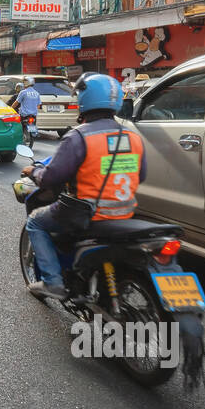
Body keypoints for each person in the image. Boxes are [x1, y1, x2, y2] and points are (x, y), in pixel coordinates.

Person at [23, 74, 146, 302]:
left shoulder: (79, 136)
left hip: (87, 215)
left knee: (35, 222)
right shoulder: (132, 137)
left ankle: (53, 282)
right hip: (125, 214)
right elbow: (141, 175)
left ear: (85, 99)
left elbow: (52, 178)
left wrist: (35, 172)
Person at [12, 79, 42, 145]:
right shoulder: (37, 93)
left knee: (18, 127)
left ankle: (19, 139)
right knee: (33, 124)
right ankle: (34, 133)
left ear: (26, 83)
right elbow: (39, 105)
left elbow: (16, 103)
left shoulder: (23, 92)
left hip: (24, 115)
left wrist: (11, 109)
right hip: (33, 115)